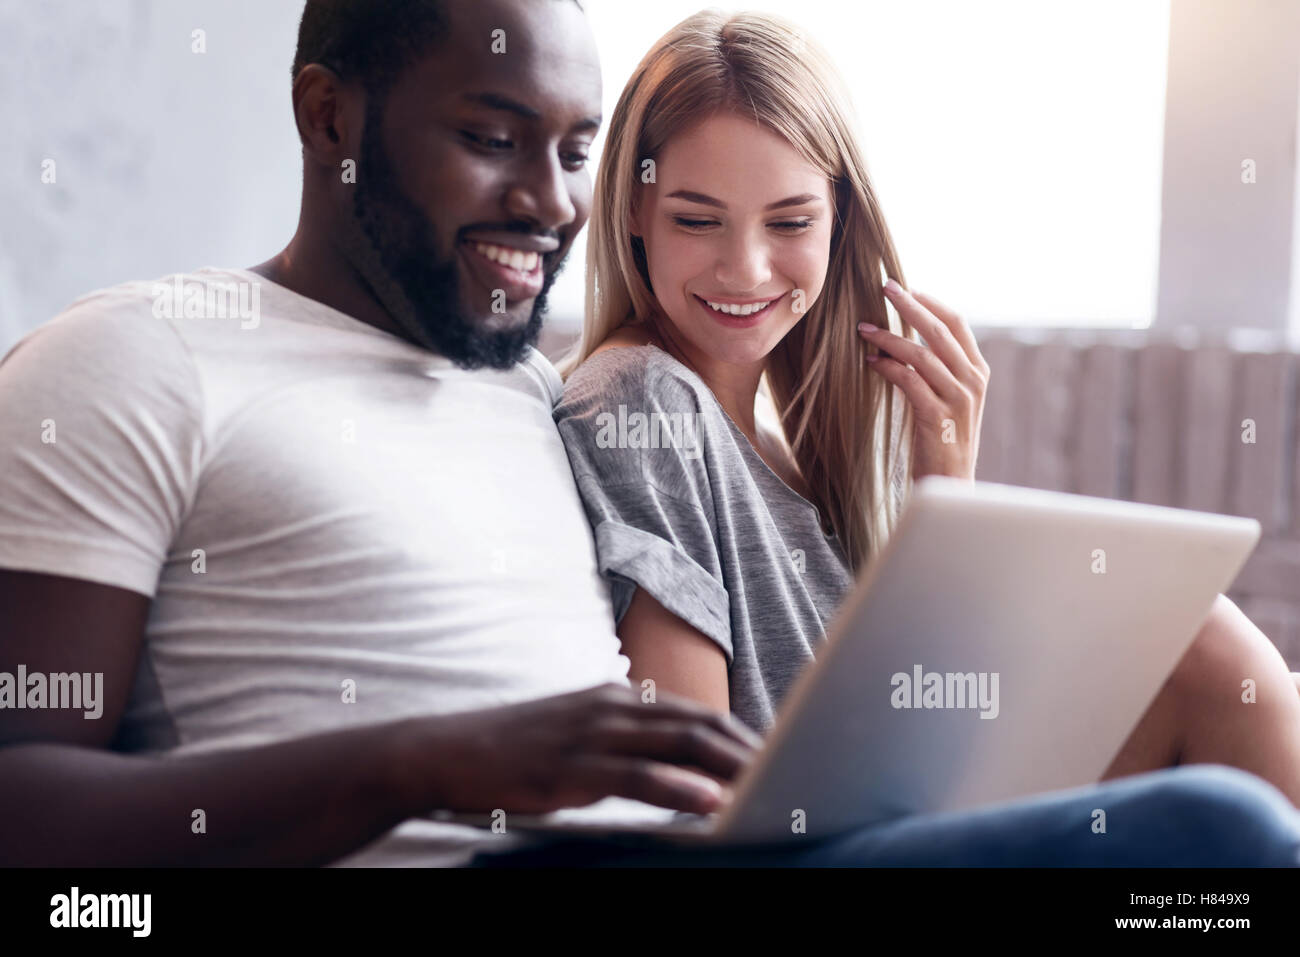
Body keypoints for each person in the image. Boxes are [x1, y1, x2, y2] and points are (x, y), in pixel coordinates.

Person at [0, 0, 1296, 869]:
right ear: (328, 117)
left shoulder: (522, 395)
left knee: (1201, 689)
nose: (547, 202)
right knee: (1218, 835)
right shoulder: (139, 355)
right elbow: (20, 791)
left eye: (572, 152)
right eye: (492, 141)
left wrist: (940, 503)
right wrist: (431, 757)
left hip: (639, 847)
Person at [553, 9, 1300, 806]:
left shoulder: (784, 445)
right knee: (1207, 656)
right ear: (632, 208)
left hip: (879, 811)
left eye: (791, 221)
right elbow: (691, 782)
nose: (746, 268)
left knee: (1224, 659)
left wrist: (942, 497)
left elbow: (908, 710)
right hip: (817, 845)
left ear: (841, 219)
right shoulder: (642, 398)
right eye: (696, 220)